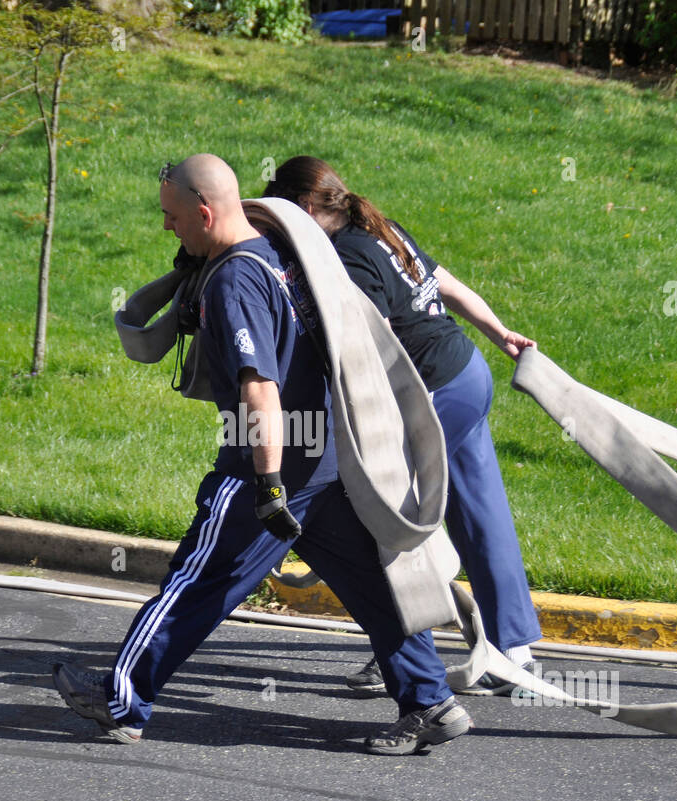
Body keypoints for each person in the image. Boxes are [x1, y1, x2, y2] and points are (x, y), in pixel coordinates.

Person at [52, 153, 471, 754]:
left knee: (197, 581)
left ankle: (120, 699)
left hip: (273, 463)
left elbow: (259, 387)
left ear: (203, 211)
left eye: (172, 217)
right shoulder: (285, 255)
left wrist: (267, 482)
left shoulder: (234, 280)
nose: (167, 228)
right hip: (327, 461)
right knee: (374, 586)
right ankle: (430, 701)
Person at [264, 156, 543, 696]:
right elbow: (446, 284)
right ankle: (514, 652)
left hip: (434, 394)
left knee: (384, 519)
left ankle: (403, 646)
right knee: (480, 510)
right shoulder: (378, 225)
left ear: (301, 209)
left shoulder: (346, 255)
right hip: (468, 373)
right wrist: (498, 332)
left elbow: (376, 344)